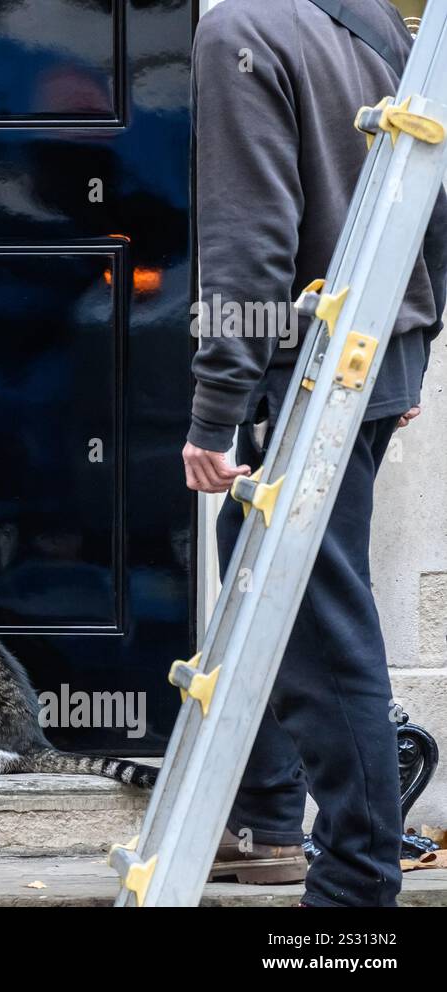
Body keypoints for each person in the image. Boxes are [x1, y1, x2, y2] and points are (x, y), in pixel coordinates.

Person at [183, 0, 447, 907]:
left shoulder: (239, 32)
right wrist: (417, 339)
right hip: (369, 355)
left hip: (308, 371)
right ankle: (262, 814)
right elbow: (434, 205)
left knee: (314, 620)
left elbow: (248, 246)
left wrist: (214, 412)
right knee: (261, 571)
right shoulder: (376, 24)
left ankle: (354, 890)